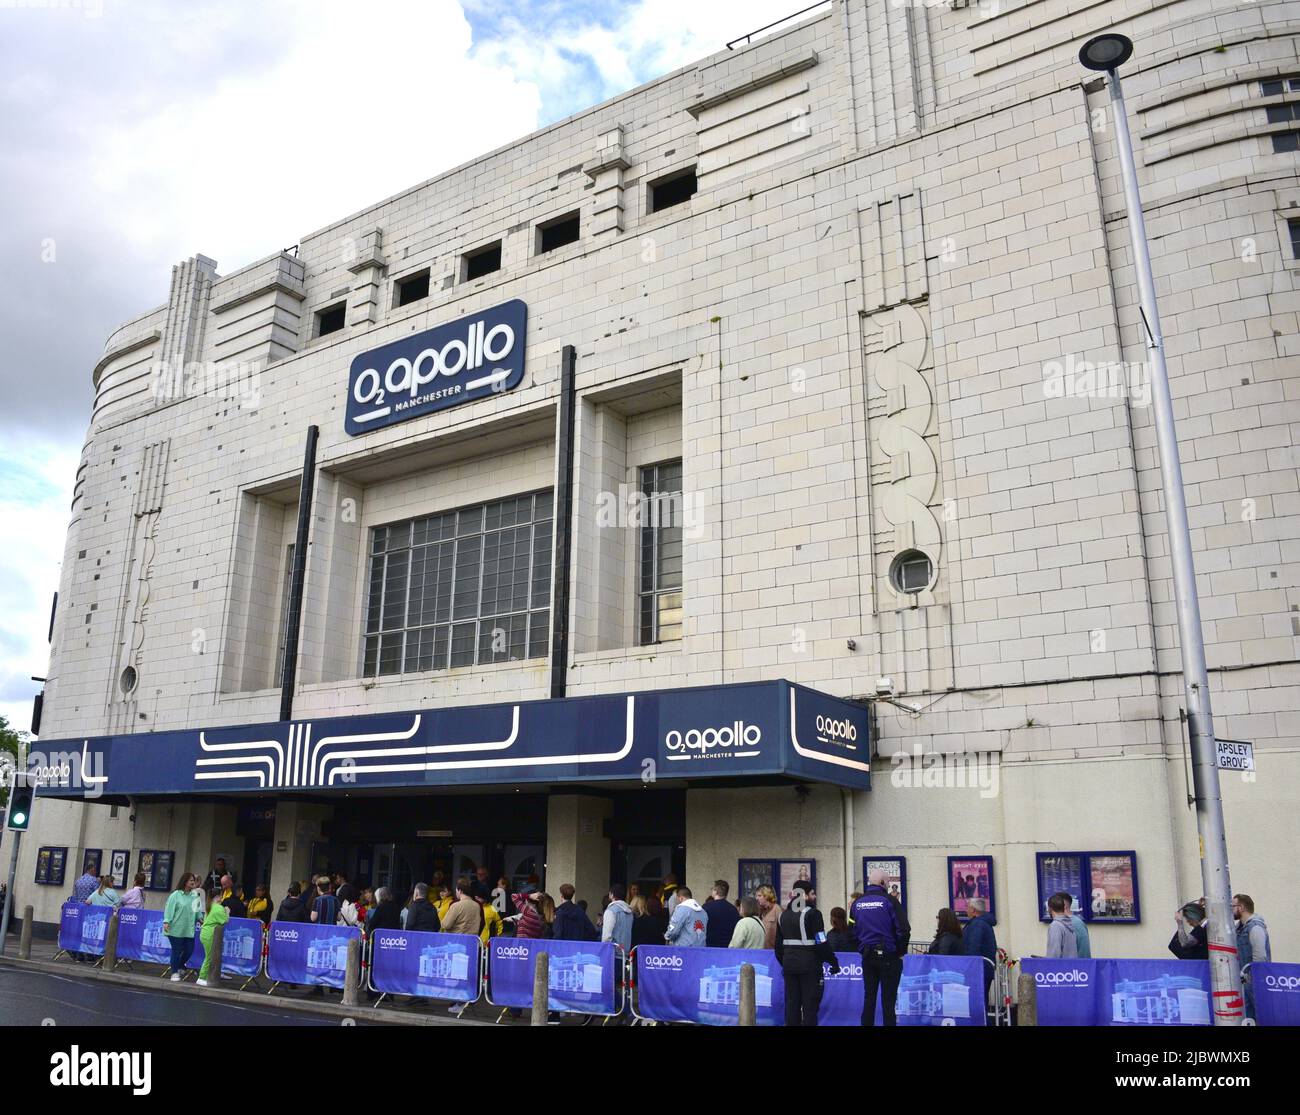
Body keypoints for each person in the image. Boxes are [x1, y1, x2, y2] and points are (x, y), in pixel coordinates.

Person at [851, 868, 911, 1026]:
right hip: (889, 956)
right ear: (883, 883)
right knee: (888, 1001)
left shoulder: (857, 903)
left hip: (867, 956)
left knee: (869, 998)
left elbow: (852, 929)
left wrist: (862, 947)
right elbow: (904, 929)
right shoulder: (890, 901)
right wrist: (900, 951)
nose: (889, 885)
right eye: (888, 882)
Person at [775, 881, 839, 1027]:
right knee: (810, 1007)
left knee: (792, 1006)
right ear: (803, 895)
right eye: (812, 893)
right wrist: (833, 961)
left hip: (789, 967)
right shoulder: (813, 914)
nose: (814, 896)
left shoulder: (782, 916)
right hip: (809, 967)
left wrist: (786, 962)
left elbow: (778, 948)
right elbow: (821, 942)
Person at [1234, 893, 1270, 1020]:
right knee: (1249, 1018)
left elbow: (1260, 957)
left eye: (1233, 907)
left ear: (1241, 907)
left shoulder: (1255, 927)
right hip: (1245, 981)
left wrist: (1251, 978)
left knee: (1261, 1015)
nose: (1230, 911)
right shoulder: (1239, 928)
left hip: (1255, 981)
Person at [962, 896, 998, 1014]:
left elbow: (973, 948)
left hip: (978, 969)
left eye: (968, 907)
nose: (966, 909)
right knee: (982, 1000)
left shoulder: (977, 924)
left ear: (974, 910)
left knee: (978, 1002)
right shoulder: (983, 923)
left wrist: (969, 968)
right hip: (984, 968)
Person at [163, 873, 199, 982]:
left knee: (189, 950)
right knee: (176, 951)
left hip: (189, 929)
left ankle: (180, 965)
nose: (192, 882)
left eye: (193, 880)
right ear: (184, 882)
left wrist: (201, 919)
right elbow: (169, 909)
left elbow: (197, 910)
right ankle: (174, 972)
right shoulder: (175, 895)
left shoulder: (195, 895)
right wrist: (167, 921)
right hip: (176, 928)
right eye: (190, 880)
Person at [196, 890, 230, 987]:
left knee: (209, 956)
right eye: (221, 896)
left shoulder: (210, 905)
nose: (222, 898)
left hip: (205, 933)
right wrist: (227, 912)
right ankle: (201, 978)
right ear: (218, 896)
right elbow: (225, 920)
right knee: (209, 957)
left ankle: (205, 977)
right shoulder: (219, 908)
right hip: (211, 934)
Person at [703, 880, 740, 949]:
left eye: (712, 889)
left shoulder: (706, 907)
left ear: (715, 891)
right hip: (727, 948)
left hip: (709, 947)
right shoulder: (733, 909)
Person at [602, 883, 634, 951]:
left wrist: (604, 950)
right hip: (625, 951)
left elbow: (606, 936)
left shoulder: (611, 911)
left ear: (612, 895)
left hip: (613, 952)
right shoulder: (630, 912)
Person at [1058, 893, 1091, 958]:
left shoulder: (1063, 924)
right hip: (1083, 965)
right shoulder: (1079, 922)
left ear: (1064, 906)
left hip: (1071, 966)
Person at [1045, 894, 1078, 958]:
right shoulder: (1070, 924)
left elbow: (1054, 954)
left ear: (1050, 908)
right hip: (1071, 966)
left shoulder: (1055, 925)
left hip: (1060, 967)